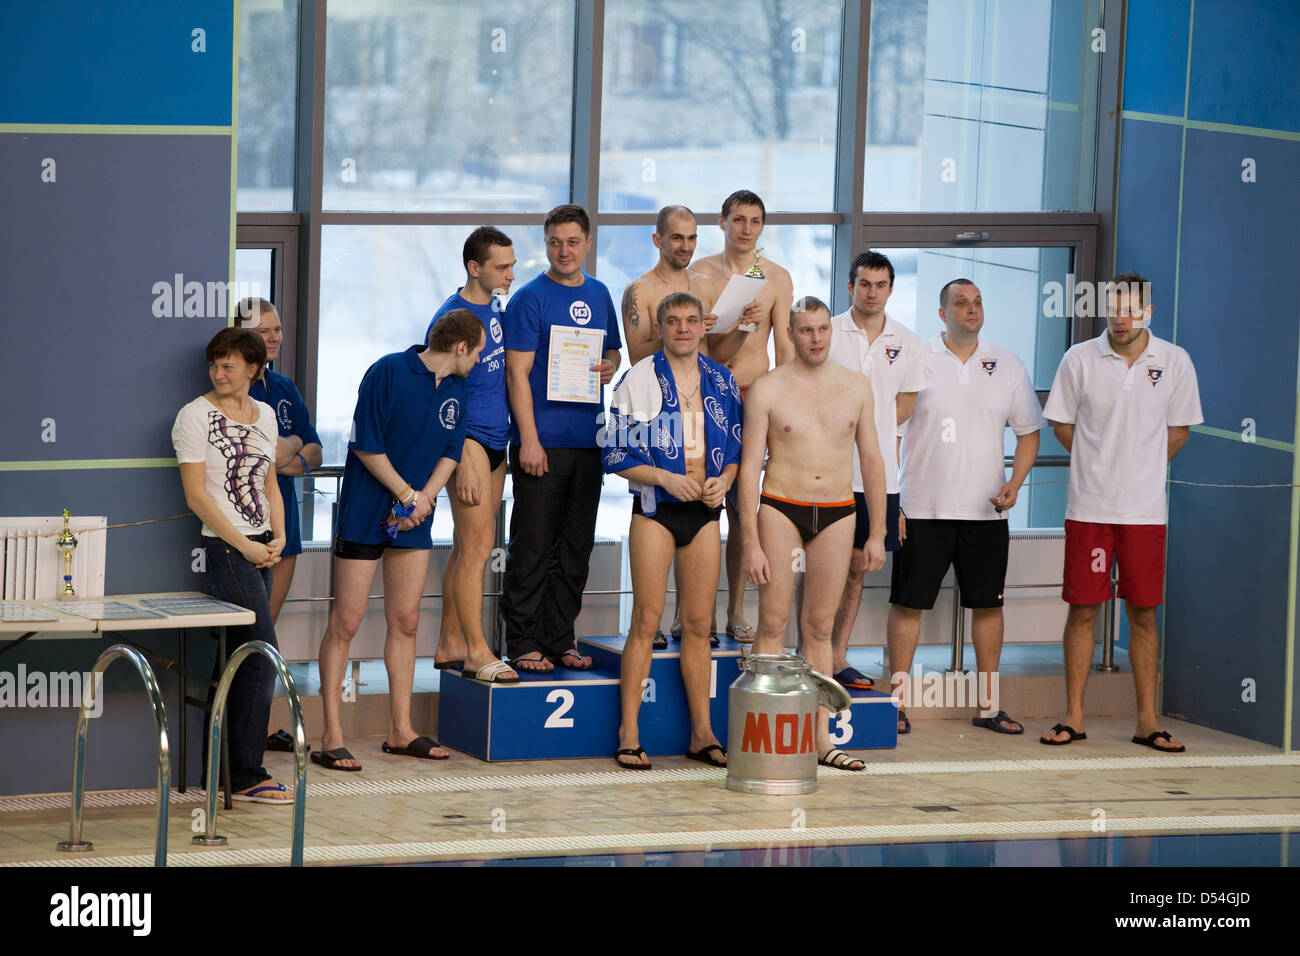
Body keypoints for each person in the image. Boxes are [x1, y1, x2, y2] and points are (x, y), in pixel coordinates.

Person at [313, 310, 485, 771]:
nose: (481, 359)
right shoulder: (387, 371)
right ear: (462, 347)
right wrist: (407, 494)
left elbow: (451, 450)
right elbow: (366, 445)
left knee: (406, 619)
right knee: (346, 621)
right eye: (480, 350)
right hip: (368, 512)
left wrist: (424, 500)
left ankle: (400, 729)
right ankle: (330, 734)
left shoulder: (457, 387)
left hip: (416, 517)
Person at [1040, 273, 1202, 753]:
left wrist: (1138, 468)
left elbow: (1179, 432)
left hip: (1145, 513)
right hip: (1089, 508)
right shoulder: (1079, 359)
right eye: (1114, 308)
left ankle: (1147, 722)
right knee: (1083, 609)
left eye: (1131, 309)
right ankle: (1073, 717)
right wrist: (1101, 463)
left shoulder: (1174, 362)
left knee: (1144, 613)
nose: (1122, 317)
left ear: (1148, 312)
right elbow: (1061, 426)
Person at [887, 280, 1044, 735]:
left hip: (986, 513)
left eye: (977, 302)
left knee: (988, 607)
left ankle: (990, 706)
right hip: (922, 509)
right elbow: (892, 432)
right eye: (961, 302)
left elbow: (1029, 432)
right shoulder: (918, 358)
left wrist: (1016, 483)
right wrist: (894, 501)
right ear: (942, 313)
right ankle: (896, 704)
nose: (971, 309)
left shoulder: (1007, 363)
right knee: (907, 604)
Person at [739, 297, 887, 771]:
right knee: (772, 622)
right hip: (781, 506)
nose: (816, 339)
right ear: (790, 332)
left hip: (839, 511)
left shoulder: (856, 387)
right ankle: (762, 736)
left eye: (823, 329)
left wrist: (878, 532)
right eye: (806, 331)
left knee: (819, 628)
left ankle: (819, 740)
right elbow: (748, 471)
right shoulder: (767, 388)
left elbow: (873, 460)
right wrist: (749, 540)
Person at [603, 292, 741, 769]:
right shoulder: (636, 380)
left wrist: (724, 480)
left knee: (700, 625)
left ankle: (702, 733)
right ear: (660, 328)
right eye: (673, 321)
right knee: (647, 619)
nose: (683, 328)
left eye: (691, 321)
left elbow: (738, 452)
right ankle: (629, 731)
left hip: (704, 513)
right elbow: (614, 455)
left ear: (704, 326)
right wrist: (666, 478)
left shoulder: (724, 383)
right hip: (654, 510)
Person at [171, 327, 291, 803]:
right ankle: (243, 775)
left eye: (229, 366)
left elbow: (270, 487)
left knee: (237, 662)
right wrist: (243, 545)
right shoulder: (194, 417)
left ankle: (217, 774)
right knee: (260, 656)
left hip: (262, 547)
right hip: (227, 549)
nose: (219, 373)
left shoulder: (264, 416)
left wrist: (279, 536)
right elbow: (197, 496)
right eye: (215, 365)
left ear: (253, 370)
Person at [501, 204, 622, 674]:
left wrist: (610, 363)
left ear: (588, 244)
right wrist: (528, 440)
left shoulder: (599, 292)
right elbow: (517, 372)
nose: (564, 251)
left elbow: (610, 349)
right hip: (542, 442)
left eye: (573, 242)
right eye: (555, 242)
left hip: (587, 441)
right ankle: (524, 641)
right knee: (532, 547)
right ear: (545, 243)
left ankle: (559, 637)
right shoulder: (531, 298)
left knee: (575, 548)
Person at [825, 251, 929, 692]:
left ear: (890, 289)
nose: (872, 292)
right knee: (820, 567)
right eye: (864, 284)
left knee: (854, 569)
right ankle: (810, 651)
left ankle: (836, 656)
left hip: (874, 478)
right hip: (824, 471)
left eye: (880, 285)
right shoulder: (826, 331)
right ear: (851, 287)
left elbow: (902, 410)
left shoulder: (908, 342)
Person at [695, 189, 794, 643]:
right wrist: (735, 324)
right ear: (722, 222)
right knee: (697, 507)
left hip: (755, 396)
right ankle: (692, 612)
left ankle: (735, 608)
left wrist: (791, 405)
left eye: (755, 221)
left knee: (744, 511)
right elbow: (698, 348)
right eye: (738, 219)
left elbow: (787, 350)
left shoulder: (775, 277)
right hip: (709, 394)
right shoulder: (700, 275)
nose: (746, 228)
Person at [620, 205, 720, 649]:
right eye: (676, 237)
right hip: (658, 422)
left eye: (692, 238)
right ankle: (653, 623)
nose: (685, 246)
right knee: (647, 609)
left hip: (703, 412)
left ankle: (699, 620)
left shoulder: (708, 286)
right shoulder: (639, 289)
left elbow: (718, 353)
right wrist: (680, 330)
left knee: (716, 514)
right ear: (658, 240)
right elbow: (637, 357)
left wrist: (735, 326)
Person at [427, 228, 519, 684]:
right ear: (474, 267)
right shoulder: (455, 317)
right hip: (470, 441)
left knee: (467, 547)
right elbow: (441, 389)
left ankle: (449, 642)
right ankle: (477, 651)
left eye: (511, 265)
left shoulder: (493, 307)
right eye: (502, 267)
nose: (510, 274)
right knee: (480, 548)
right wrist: (461, 452)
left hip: (495, 438)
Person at [238, 298, 325, 753]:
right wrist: (284, 453)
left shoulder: (285, 386)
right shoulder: (235, 389)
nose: (272, 338)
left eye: (277, 330)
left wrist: (282, 455)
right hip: (242, 530)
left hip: (283, 527)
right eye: (262, 331)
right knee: (249, 632)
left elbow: (315, 450)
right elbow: (251, 457)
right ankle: (241, 732)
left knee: (268, 629)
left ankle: (259, 726)